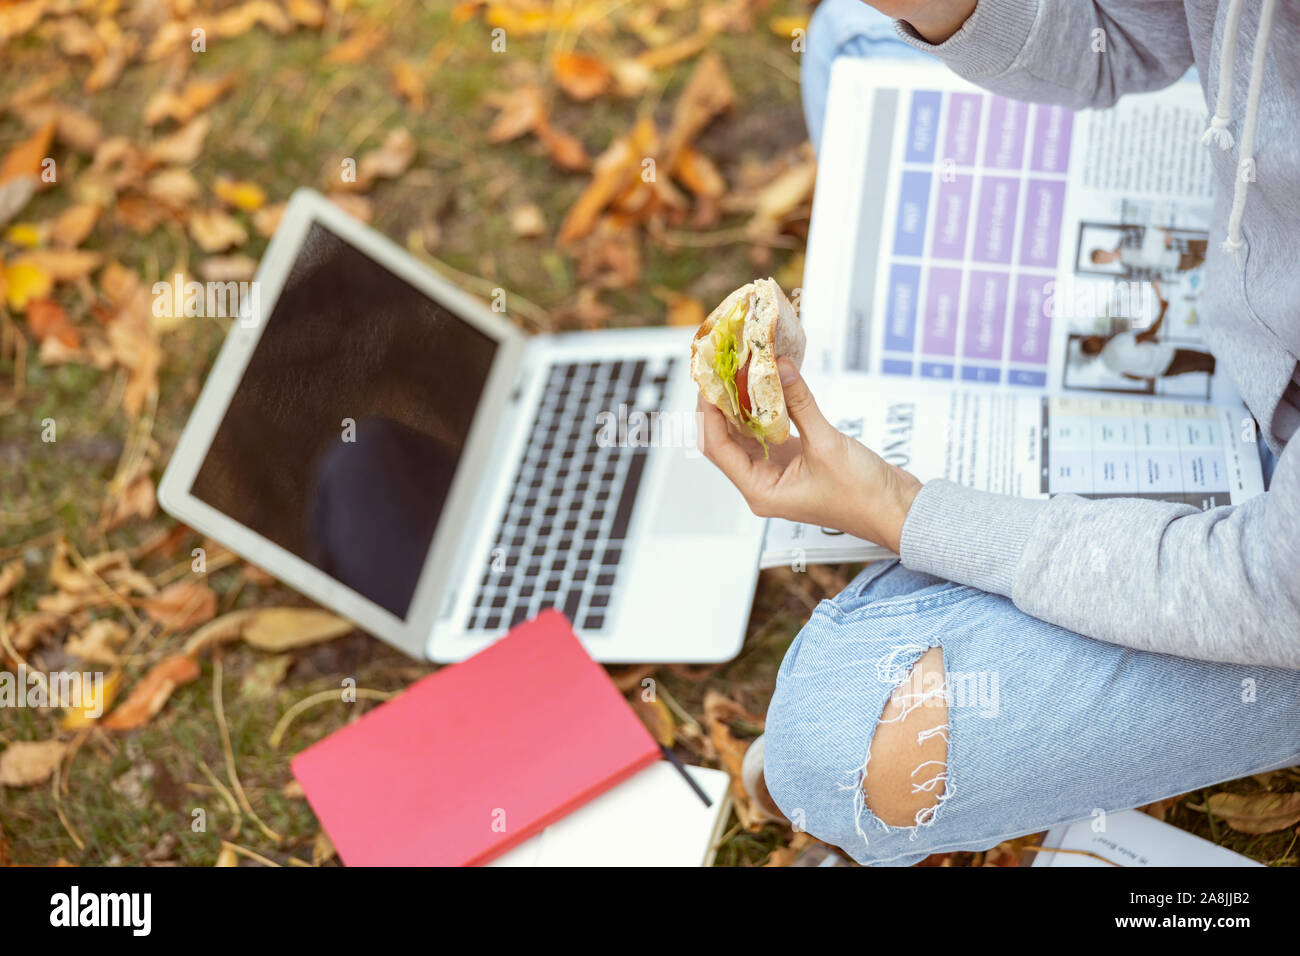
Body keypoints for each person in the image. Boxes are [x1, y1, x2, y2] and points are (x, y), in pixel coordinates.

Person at [699, 0, 1300, 866]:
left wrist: (904, 508)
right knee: (855, 36)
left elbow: (1269, 587)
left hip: (1275, 581)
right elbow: (1139, 30)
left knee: (840, 737)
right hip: (1246, 303)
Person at [1078, 282, 1217, 380]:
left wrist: (1149, 375)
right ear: (1094, 344)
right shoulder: (1116, 343)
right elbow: (1152, 332)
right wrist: (1163, 309)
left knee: (1206, 368)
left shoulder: (1109, 366)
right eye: (1091, 338)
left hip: (1161, 372)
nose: (1094, 335)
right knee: (1209, 360)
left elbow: (1132, 376)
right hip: (1167, 356)